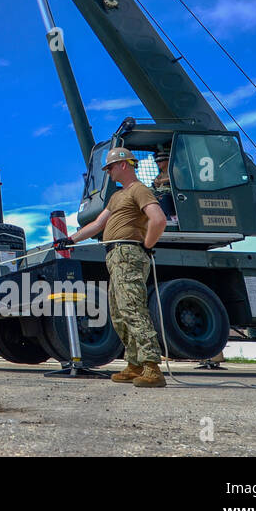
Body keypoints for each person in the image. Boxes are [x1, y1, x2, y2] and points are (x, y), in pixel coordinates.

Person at [61, 147, 167, 388]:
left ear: (123, 165)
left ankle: (152, 367)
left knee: (132, 309)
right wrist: (71, 239)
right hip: (115, 255)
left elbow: (158, 219)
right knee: (119, 312)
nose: (107, 172)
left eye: (109, 167)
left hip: (129, 253)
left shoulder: (139, 190)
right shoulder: (117, 196)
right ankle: (135, 364)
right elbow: (98, 224)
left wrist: (147, 245)